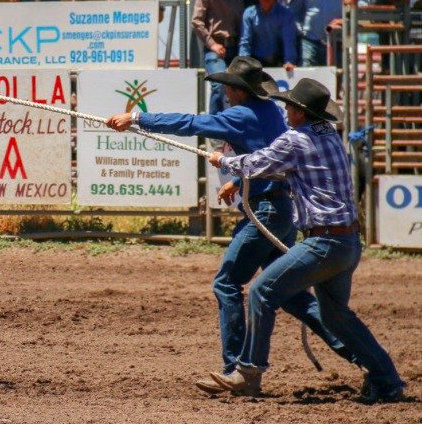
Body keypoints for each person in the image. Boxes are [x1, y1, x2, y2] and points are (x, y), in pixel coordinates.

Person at [106, 58, 353, 394]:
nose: (223, 92)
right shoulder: (270, 114)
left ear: (238, 91)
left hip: (265, 210)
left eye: (226, 86)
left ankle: (236, 368)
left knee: (227, 282)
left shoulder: (240, 114)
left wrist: (137, 118)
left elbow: (191, 123)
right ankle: (354, 350)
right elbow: (269, 154)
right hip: (282, 209)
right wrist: (238, 180)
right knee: (292, 295)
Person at [208, 79, 405, 402]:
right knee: (336, 316)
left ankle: (248, 371)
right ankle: (387, 379)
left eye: (290, 106)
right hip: (347, 242)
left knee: (261, 292)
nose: (286, 110)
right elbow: (291, 168)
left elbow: (256, 163)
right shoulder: (329, 136)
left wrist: (224, 163)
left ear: (300, 112)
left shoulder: (295, 139)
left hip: (323, 242)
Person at [193, 0, 245, 114]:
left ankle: (235, 122)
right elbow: (196, 21)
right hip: (215, 47)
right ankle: (214, 125)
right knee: (219, 83)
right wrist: (212, 44)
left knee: (239, 86)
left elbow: (241, 22)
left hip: (234, 47)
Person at [238, 0, 297, 71]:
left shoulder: (286, 15)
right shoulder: (249, 13)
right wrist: (243, 63)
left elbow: (289, 41)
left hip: (278, 60)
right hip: (255, 61)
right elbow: (245, 41)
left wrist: (289, 61)